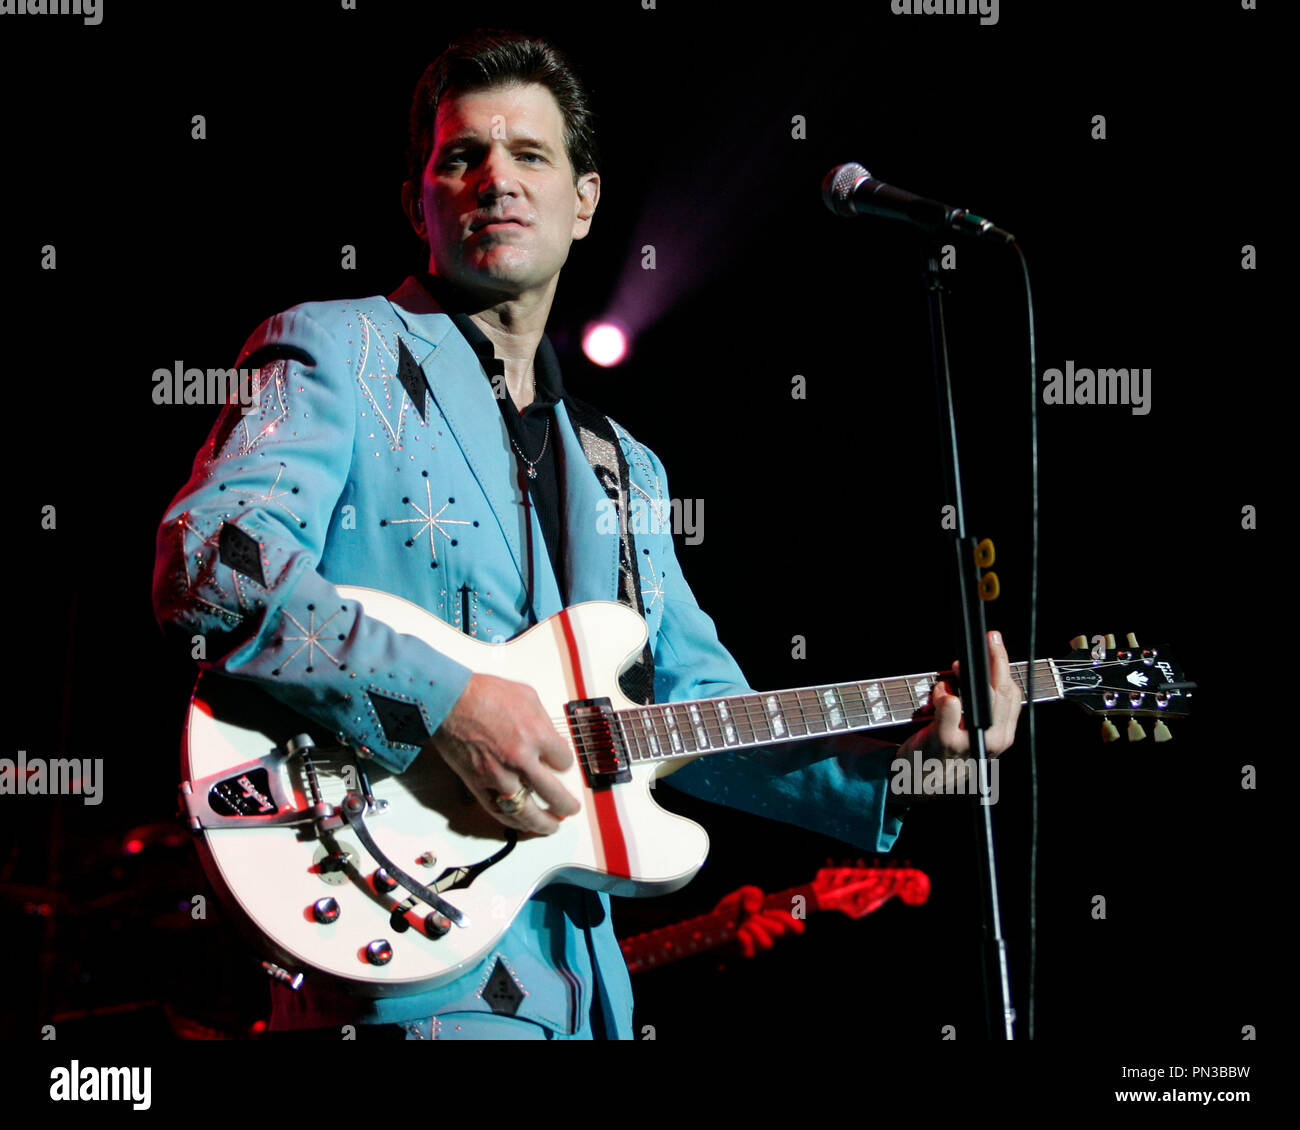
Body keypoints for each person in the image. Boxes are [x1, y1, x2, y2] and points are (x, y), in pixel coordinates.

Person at [151, 28, 1022, 1040]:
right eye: (461, 155)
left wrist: (918, 758)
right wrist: (451, 701)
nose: (495, 179)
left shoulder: (623, 467)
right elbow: (212, 560)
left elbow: (702, 716)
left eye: (530, 155)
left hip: (586, 987)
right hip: (399, 959)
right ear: (416, 201)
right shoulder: (336, 347)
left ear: (585, 201)